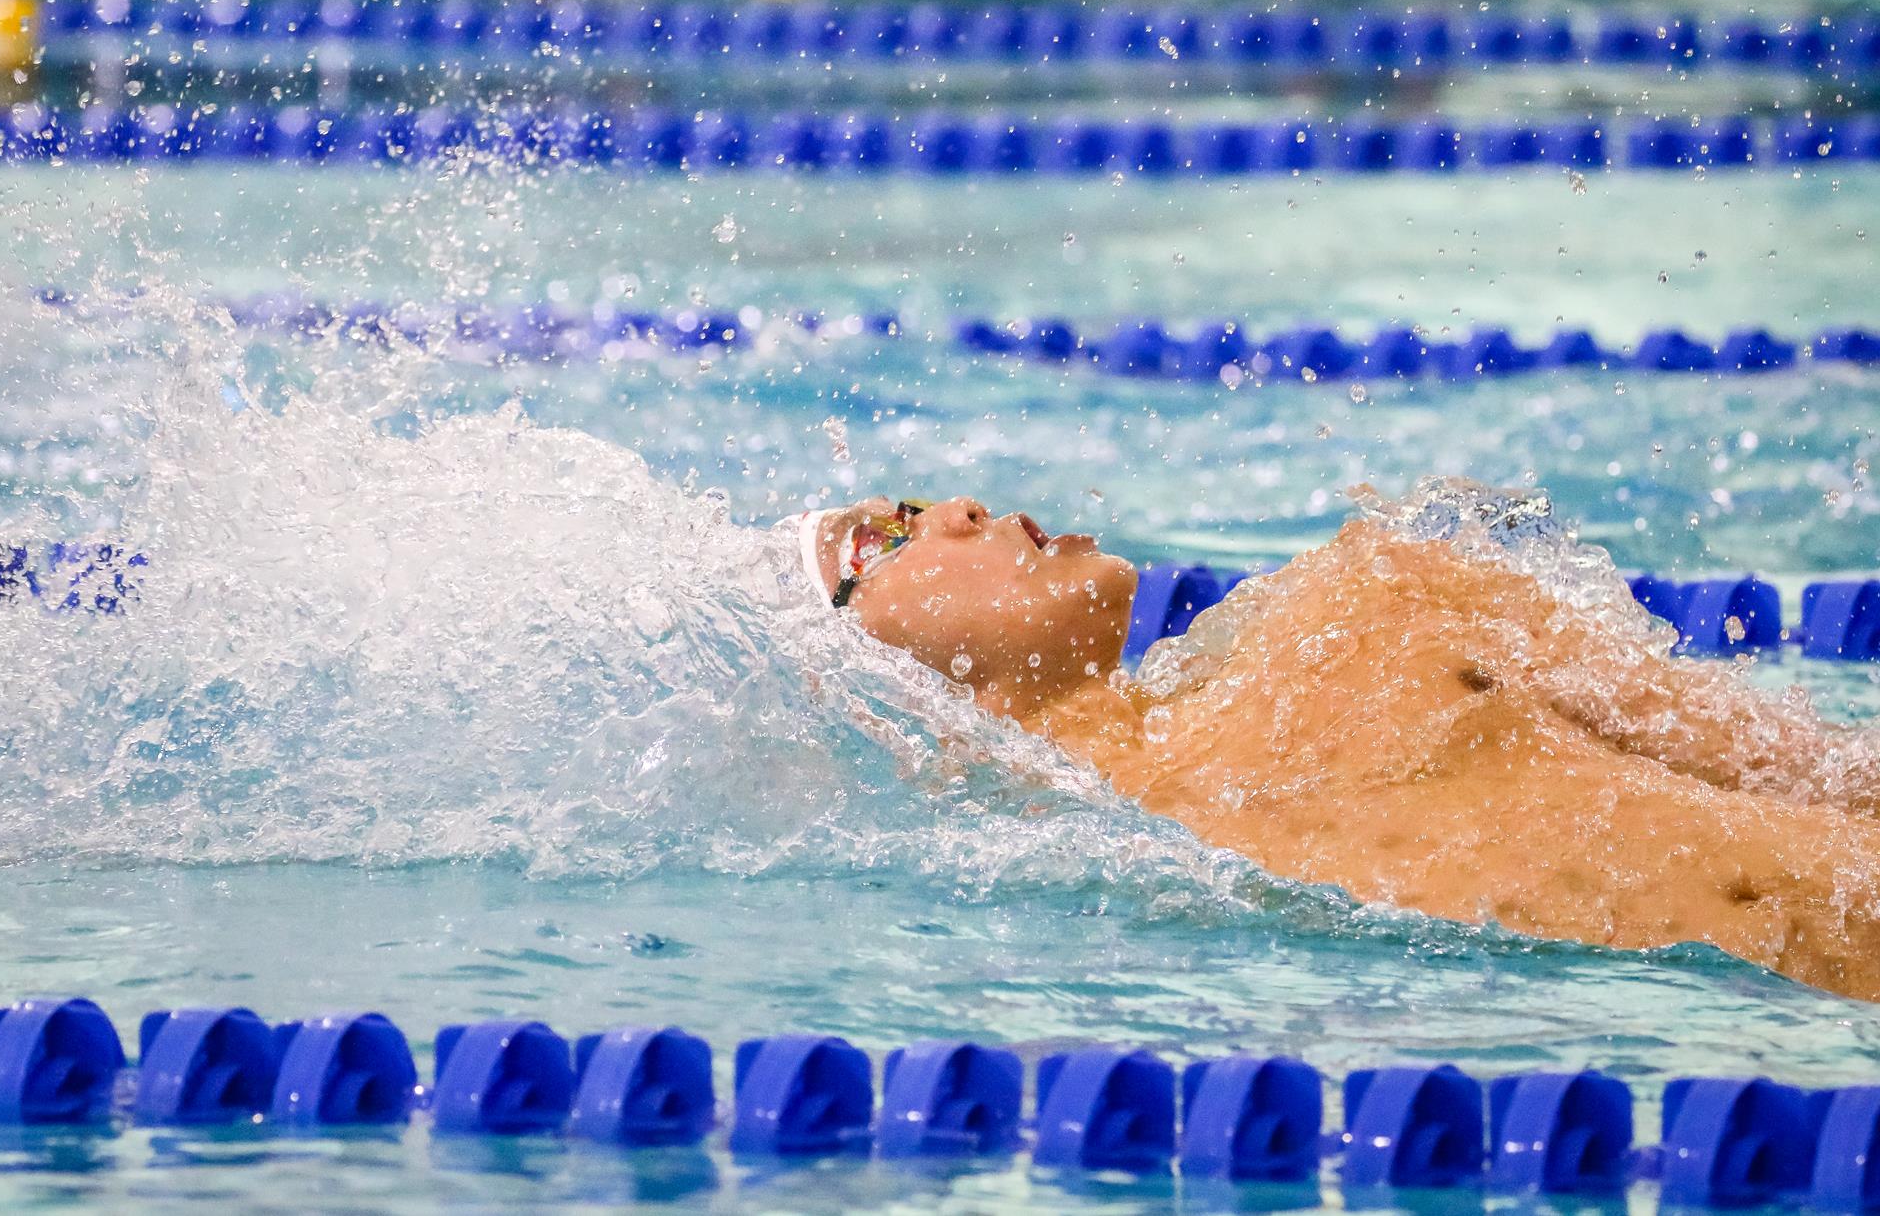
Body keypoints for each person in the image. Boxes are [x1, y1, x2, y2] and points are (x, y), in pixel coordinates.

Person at [791, 487, 1880, 1001]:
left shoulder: (1362, 602)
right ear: (864, 680)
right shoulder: (1097, 885)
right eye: (883, 535)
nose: (962, 505)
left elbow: (1817, 770)